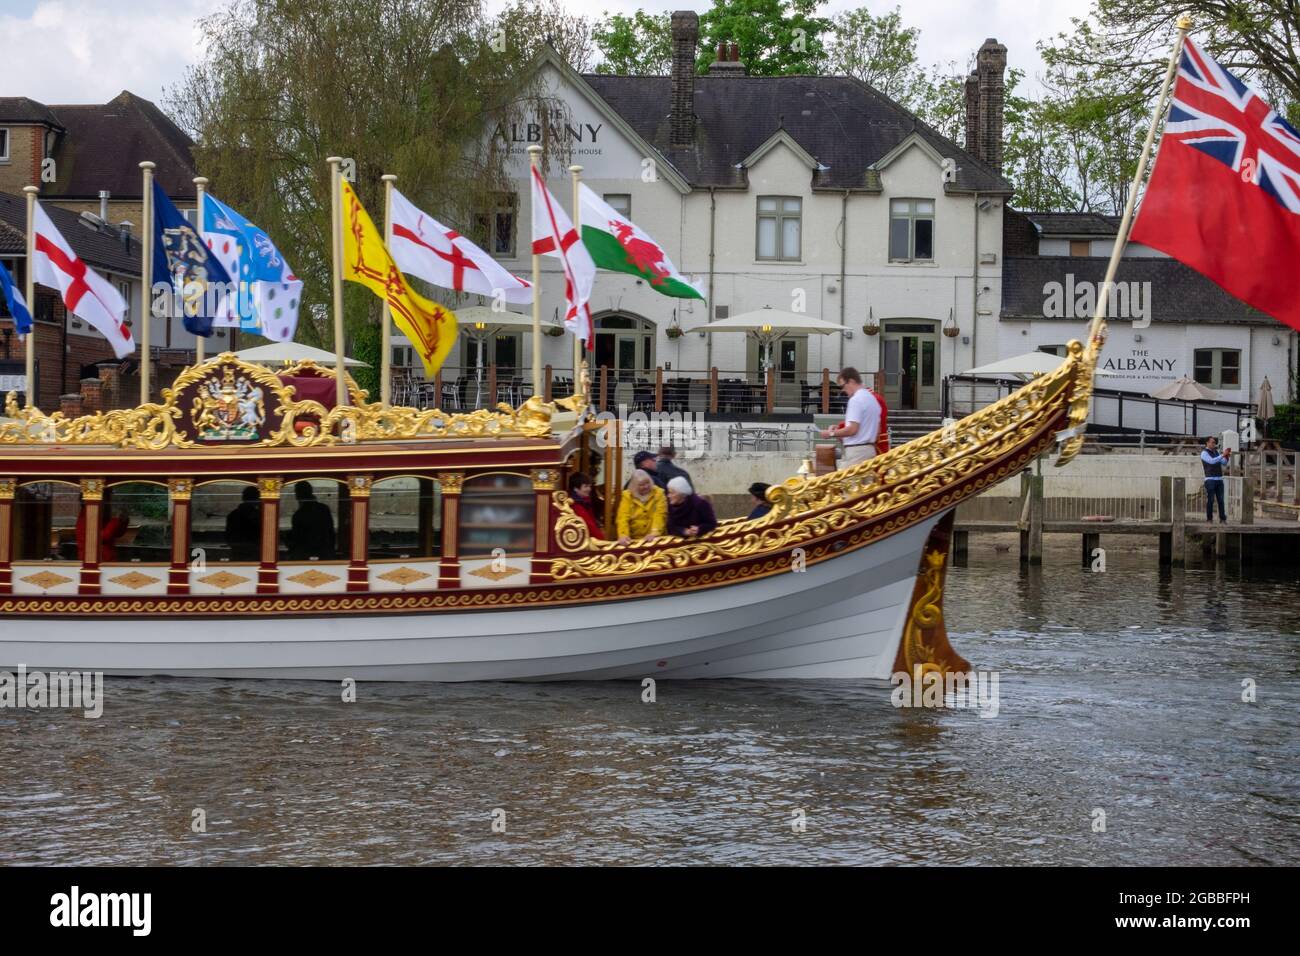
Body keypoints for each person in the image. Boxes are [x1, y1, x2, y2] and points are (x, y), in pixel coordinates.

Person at [820, 366, 881, 468]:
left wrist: (830, 433)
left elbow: (853, 430)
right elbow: (877, 430)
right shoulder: (873, 399)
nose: (843, 390)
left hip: (856, 454)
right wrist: (841, 433)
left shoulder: (856, 400)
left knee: (843, 483)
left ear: (851, 381)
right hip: (870, 451)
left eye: (843, 386)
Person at [74, 490, 130, 562]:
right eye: (105, 498)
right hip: (95, 560)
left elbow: (116, 534)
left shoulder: (99, 514)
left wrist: (122, 521)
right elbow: (102, 537)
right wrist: (115, 520)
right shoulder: (88, 514)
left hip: (105, 558)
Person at [615, 469, 667, 546]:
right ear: (634, 486)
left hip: (656, 539)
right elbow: (623, 517)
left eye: (647, 482)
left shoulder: (659, 493)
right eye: (641, 485)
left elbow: (660, 515)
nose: (646, 486)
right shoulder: (627, 496)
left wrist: (654, 533)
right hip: (634, 540)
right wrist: (623, 535)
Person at [288, 481, 336, 560]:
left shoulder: (299, 514)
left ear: (299, 494)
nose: (295, 495)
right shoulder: (323, 508)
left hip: (306, 553)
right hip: (325, 552)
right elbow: (331, 533)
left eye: (296, 492)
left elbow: (298, 538)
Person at [225, 486, 262, 561]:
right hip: (254, 553)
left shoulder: (233, 514)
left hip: (237, 553)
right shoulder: (257, 515)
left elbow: (228, 537)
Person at [1202, 435, 1232, 523]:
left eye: (1214, 442)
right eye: (1212, 442)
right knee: (1210, 500)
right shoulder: (1204, 453)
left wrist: (1226, 456)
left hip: (1219, 479)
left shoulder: (1216, 452)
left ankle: (1222, 519)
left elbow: (1224, 463)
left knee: (1221, 500)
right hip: (1210, 479)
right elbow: (1211, 461)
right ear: (1207, 443)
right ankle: (1209, 519)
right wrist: (1223, 454)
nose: (1214, 444)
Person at [568, 472, 604, 540]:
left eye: (589, 486)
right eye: (586, 486)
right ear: (575, 488)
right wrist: (602, 540)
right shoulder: (576, 505)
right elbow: (589, 525)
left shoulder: (585, 501)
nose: (589, 489)